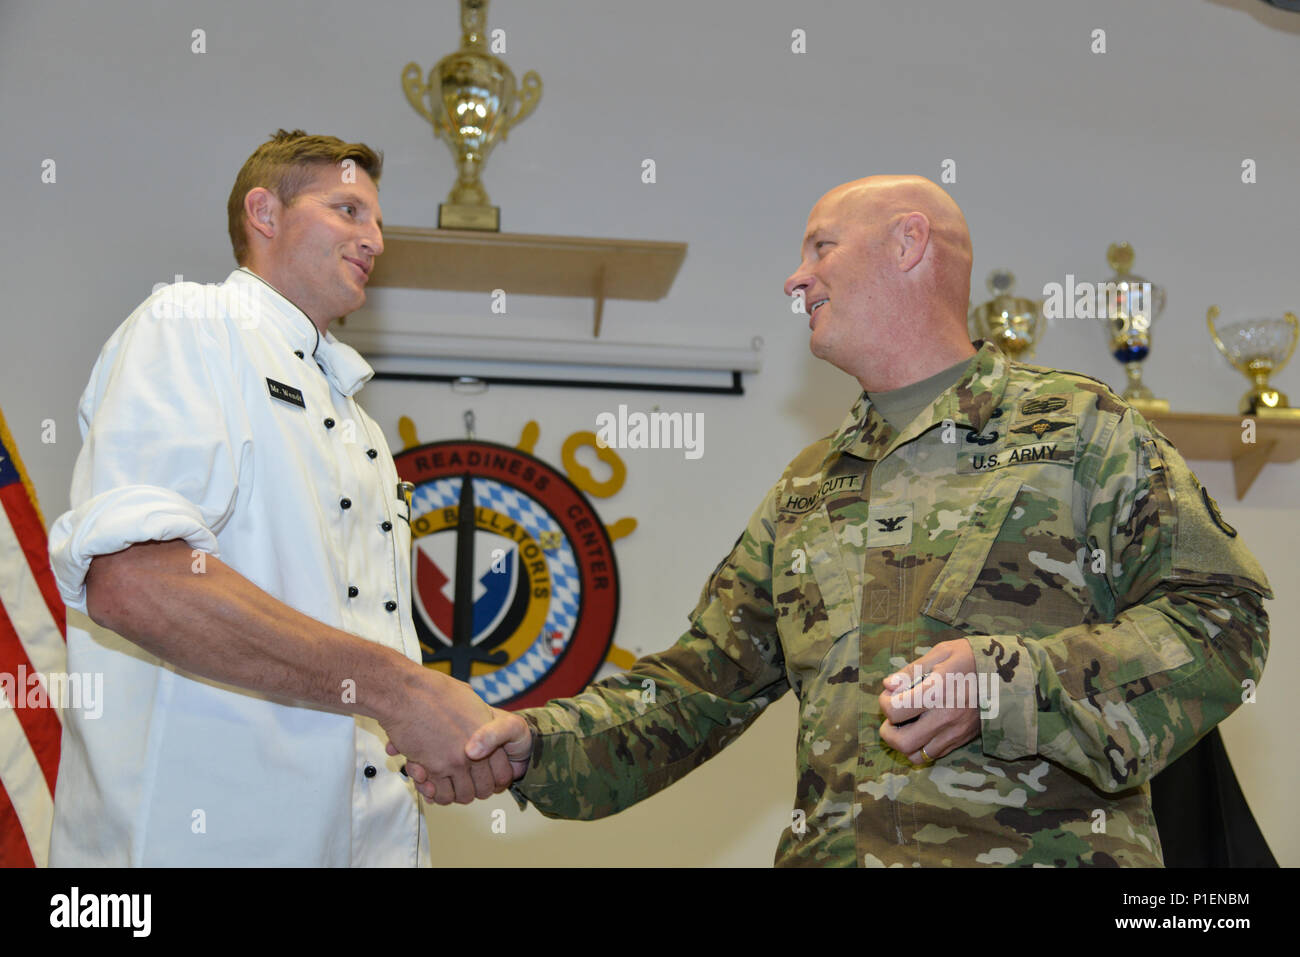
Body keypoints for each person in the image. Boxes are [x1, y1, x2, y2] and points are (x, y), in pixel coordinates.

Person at [433, 174, 1273, 866]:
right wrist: (530, 744)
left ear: (909, 245)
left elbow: (1226, 623)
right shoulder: (808, 485)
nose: (794, 278)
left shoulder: (1080, 430)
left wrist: (1009, 683)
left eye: (820, 247)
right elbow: (693, 692)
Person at [47, 129, 511, 866]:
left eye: (379, 222)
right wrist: (403, 693)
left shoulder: (359, 423)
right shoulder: (194, 324)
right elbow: (135, 580)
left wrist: (447, 730)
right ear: (264, 213)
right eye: (349, 210)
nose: (376, 240)